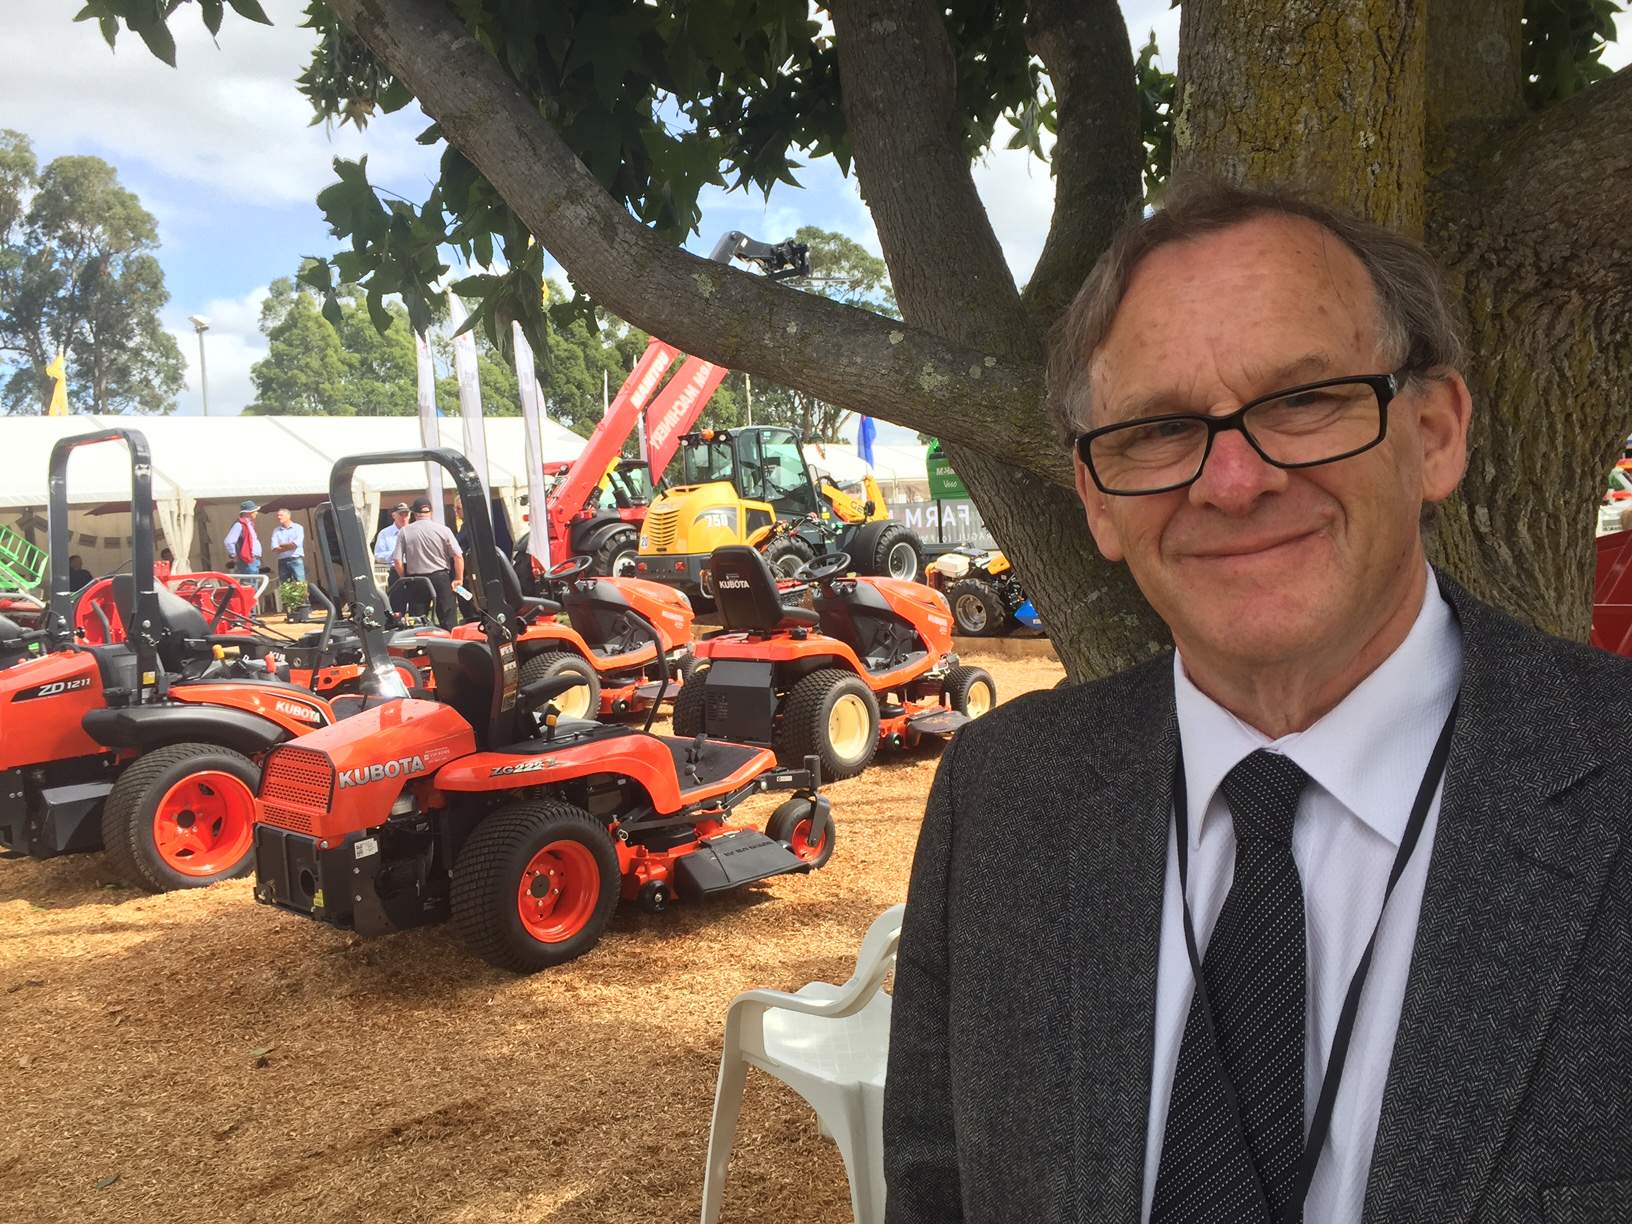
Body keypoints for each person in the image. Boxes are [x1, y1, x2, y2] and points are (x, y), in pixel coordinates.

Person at [883, 181, 1632, 1224]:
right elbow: (937, 1191)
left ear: (1435, 433)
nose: (1233, 482)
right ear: (1096, 500)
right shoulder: (1003, 794)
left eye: (1303, 401)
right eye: (1158, 428)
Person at [394, 496, 464, 628]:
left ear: (414, 513)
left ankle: (420, 641)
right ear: (431, 512)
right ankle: (450, 639)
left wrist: (405, 579)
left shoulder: (404, 532)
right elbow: (458, 556)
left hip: (417, 581)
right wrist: (458, 578)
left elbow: (397, 561)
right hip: (441, 578)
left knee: (418, 623)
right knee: (448, 619)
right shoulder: (444, 530)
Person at [270, 508, 307, 620]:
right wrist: (289, 546)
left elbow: (296, 544)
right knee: (285, 585)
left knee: (300, 583)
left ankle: (304, 608)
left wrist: (282, 546)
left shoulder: (298, 528)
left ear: (288, 516)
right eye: (278, 515)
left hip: (296, 559)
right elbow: (274, 548)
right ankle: (290, 610)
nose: (278, 517)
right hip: (282, 560)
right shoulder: (276, 530)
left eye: (281, 515)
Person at [224, 500, 261, 575]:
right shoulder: (239, 525)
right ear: (248, 512)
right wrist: (234, 555)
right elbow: (228, 541)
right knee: (249, 581)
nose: (256, 513)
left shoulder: (248, 524)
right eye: (255, 511)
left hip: (251, 560)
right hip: (247, 560)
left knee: (252, 581)